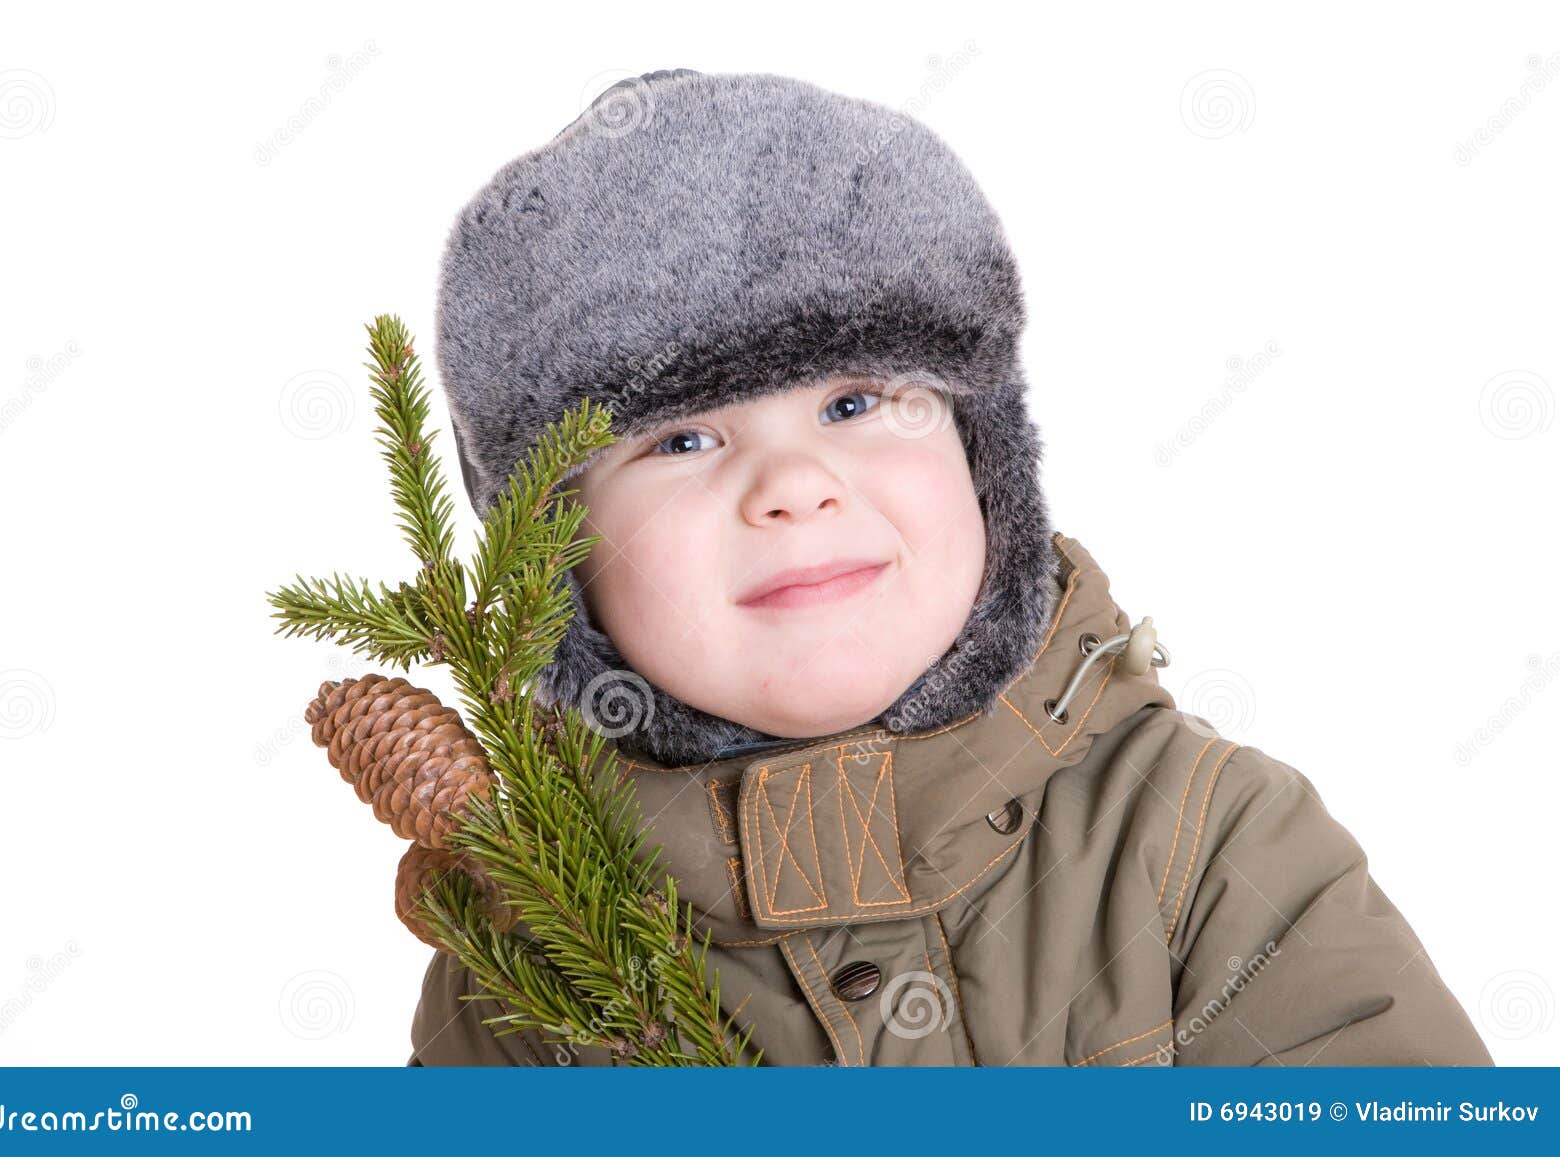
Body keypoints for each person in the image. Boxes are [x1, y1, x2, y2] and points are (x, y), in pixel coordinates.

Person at [407, 69, 1491, 1066]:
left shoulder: (1200, 841)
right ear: (559, 566)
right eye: (681, 439)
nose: (793, 482)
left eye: (855, 402)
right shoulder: (522, 960)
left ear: (983, 466)